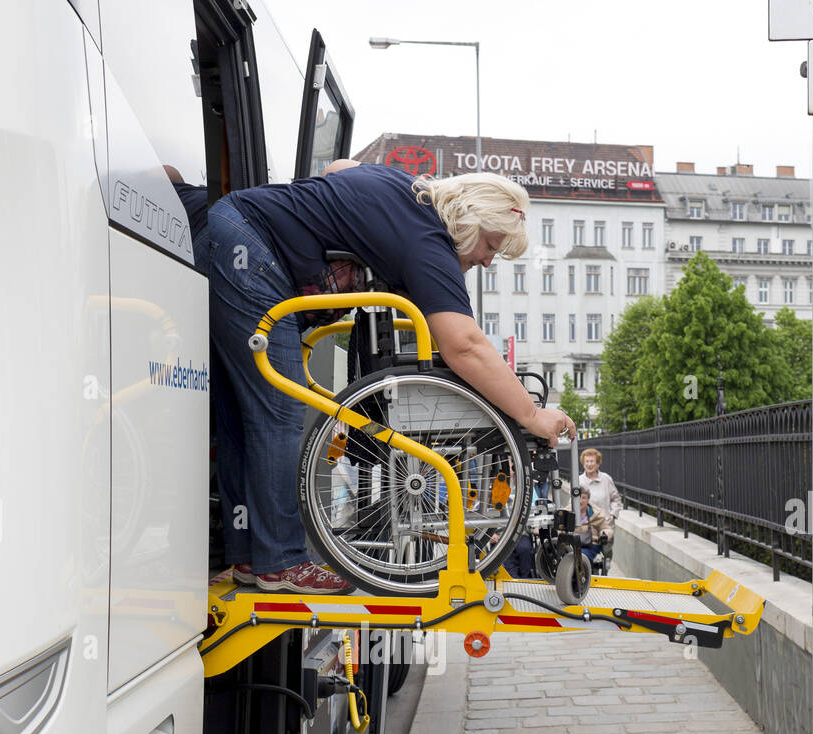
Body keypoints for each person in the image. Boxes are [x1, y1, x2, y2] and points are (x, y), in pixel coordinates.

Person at [207, 164, 576, 594]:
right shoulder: (427, 239)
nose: (488, 259)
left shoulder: (409, 190)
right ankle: (281, 564)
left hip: (231, 229)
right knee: (279, 411)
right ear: (470, 223)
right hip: (251, 250)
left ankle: (250, 557)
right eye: (491, 245)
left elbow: (338, 169)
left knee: (242, 413)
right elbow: (464, 346)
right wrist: (531, 414)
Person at [578, 448, 622, 531]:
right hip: (585, 528)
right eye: (587, 461)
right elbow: (572, 503)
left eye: (592, 461)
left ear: (598, 464)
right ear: (583, 464)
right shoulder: (578, 481)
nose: (589, 464)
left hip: (605, 526)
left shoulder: (606, 479)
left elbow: (616, 499)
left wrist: (612, 514)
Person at [576, 486, 608, 568]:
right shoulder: (567, 512)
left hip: (590, 545)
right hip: (571, 544)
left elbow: (605, 528)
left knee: (581, 556)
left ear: (588, 500)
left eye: (584, 498)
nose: (580, 501)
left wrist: (605, 533)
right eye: (578, 497)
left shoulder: (596, 513)